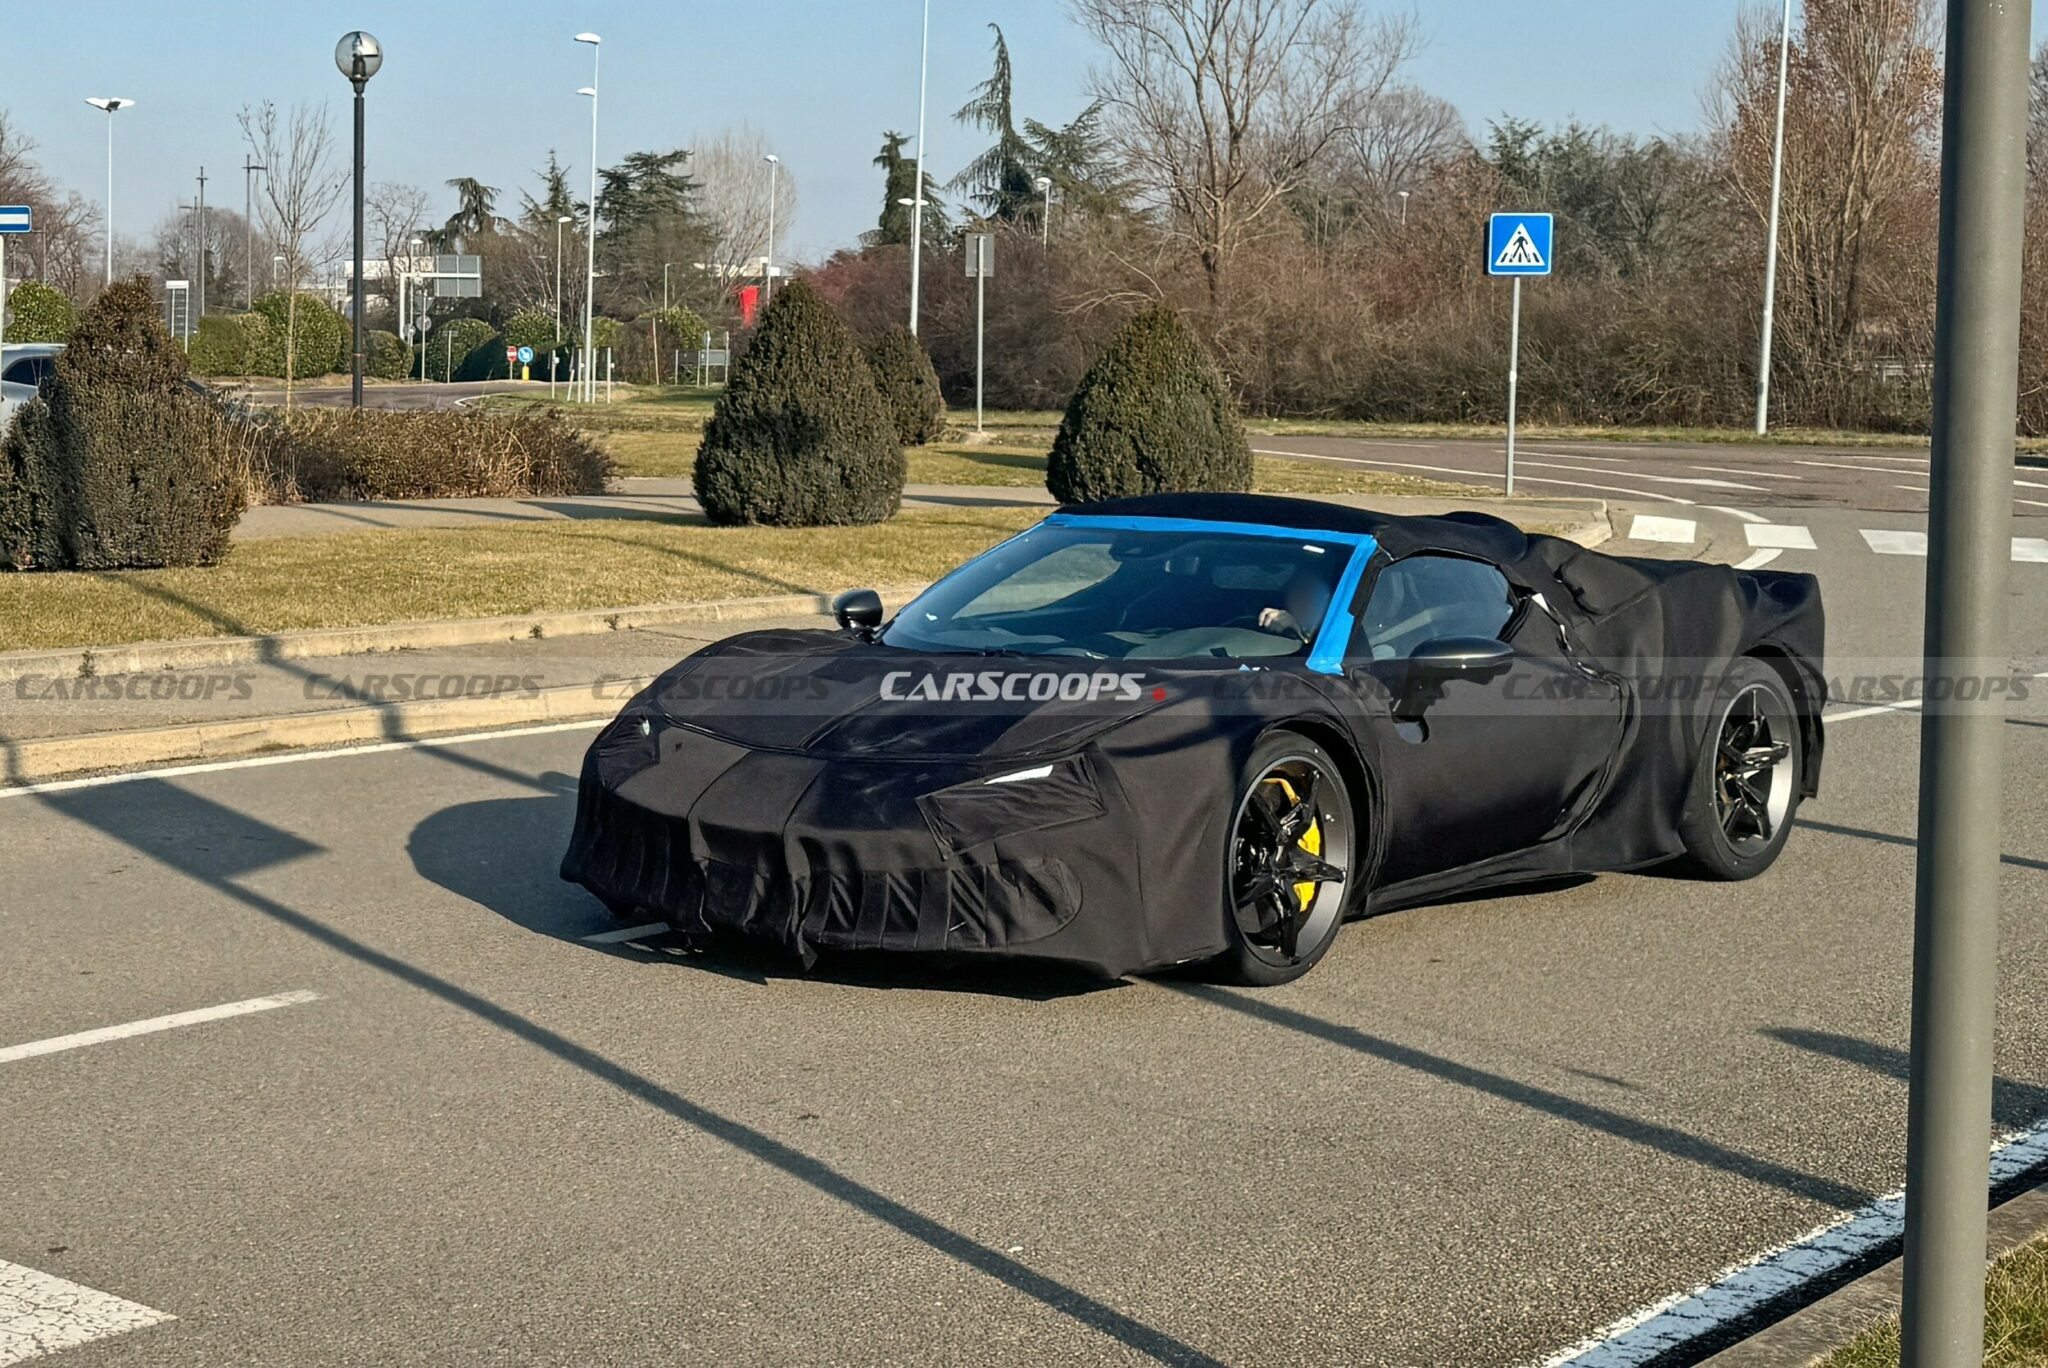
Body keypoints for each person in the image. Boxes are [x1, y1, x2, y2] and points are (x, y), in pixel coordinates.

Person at [1258, 567, 1333, 642]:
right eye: (1300, 590)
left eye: (1313, 593)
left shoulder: (1331, 627)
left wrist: (1294, 629)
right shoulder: (1274, 617)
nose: (1304, 597)